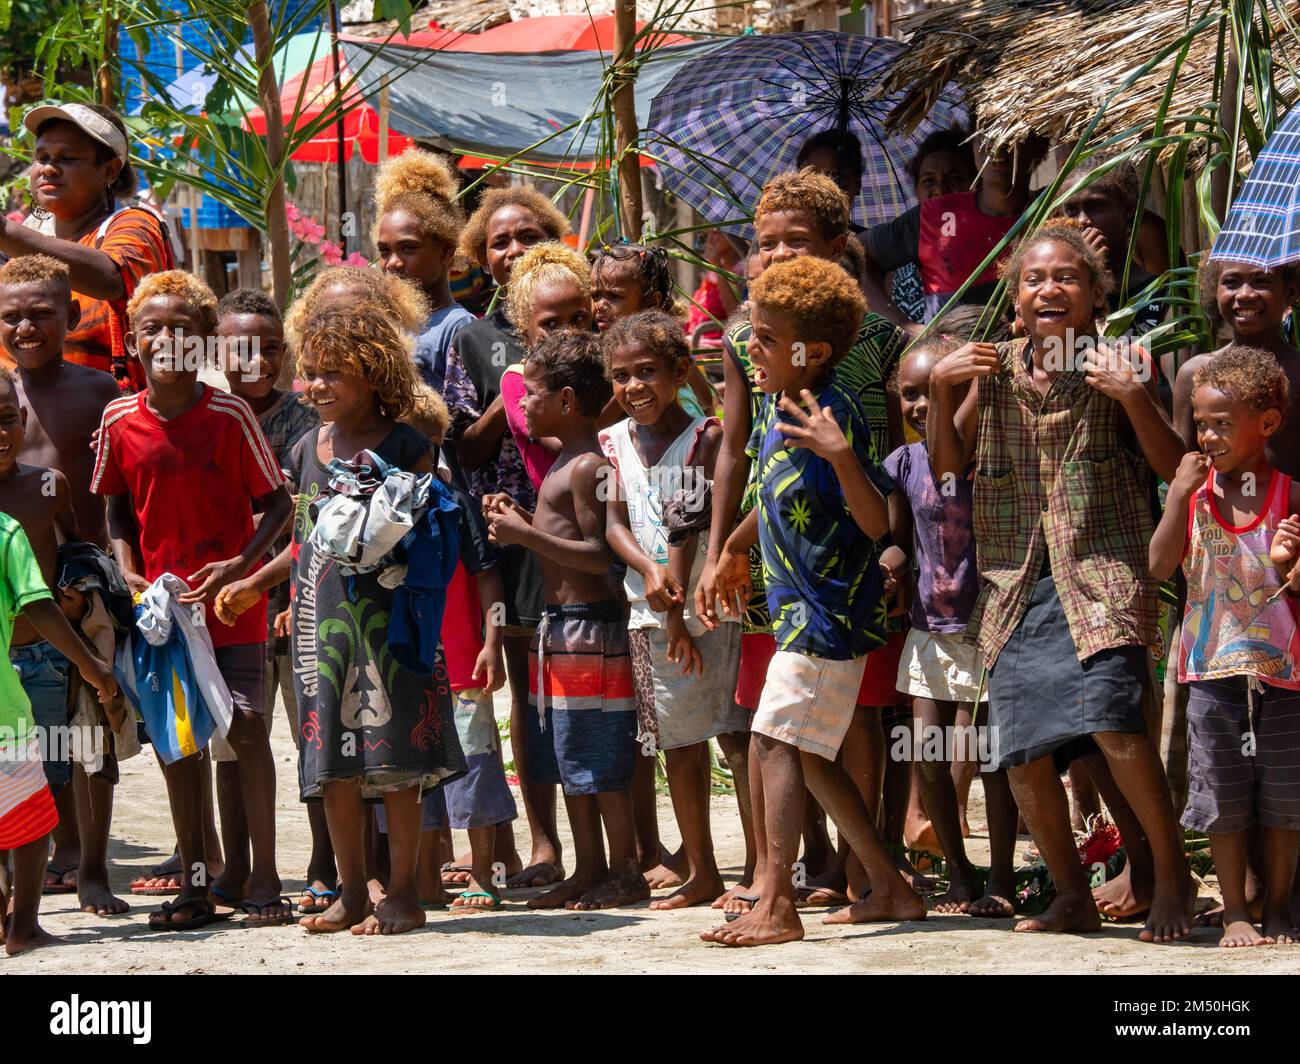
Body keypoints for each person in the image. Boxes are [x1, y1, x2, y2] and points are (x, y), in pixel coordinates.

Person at [926, 221, 1193, 941]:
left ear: (1095, 298)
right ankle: (1071, 894)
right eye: (1035, 279)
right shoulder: (996, 370)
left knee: (1116, 725)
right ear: (1014, 303)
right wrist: (945, 394)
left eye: (1067, 278)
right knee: (1022, 749)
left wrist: (1134, 397)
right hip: (1016, 581)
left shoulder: (1123, 364)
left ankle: (1172, 880)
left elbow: (1177, 469)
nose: (1051, 288)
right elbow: (948, 471)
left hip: (1104, 575)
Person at [698, 168, 908, 917]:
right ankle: (890, 886)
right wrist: (729, 548)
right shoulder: (782, 400)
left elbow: (880, 507)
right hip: (791, 599)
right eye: (766, 243)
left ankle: (778, 900)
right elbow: (767, 486)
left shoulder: (836, 403)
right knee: (799, 743)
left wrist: (843, 457)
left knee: (779, 738)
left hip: (830, 599)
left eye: (765, 342)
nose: (751, 351)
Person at [91, 270, 293, 931]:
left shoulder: (229, 415)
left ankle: (264, 881)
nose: (166, 340)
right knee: (181, 744)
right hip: (161, 616)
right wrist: (126, 573)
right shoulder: (119, 419)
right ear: (133, 342)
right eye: (152, 328)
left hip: (232, 605)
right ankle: (196, 886)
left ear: (205, 341)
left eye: (182, 330)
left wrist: (240, 565)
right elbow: (117, 508)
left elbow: (279, 505)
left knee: (244, 728)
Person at [484, 331, 649, 911]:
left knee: (599, 755)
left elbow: (601, 557)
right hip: (561, 629)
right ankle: (588, 867)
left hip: (590, 629)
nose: (522, 402)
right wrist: (522, 518)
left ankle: (625, 870)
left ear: (568, 401)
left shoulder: (586, 466)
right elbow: (563, 537)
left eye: (532, 393)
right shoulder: (562, 459)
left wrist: (525, 534)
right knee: (568, 752)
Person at [1150, 348, 1300, 946]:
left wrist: (1290, 561)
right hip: (1209, 671)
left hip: (1285, 674)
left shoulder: (1290, 497)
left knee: (1285, 795)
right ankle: (1236, 906)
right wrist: (1177, 496)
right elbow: (1161, 565)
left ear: (1267, 423)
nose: (1207, 435)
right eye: (1201, 422)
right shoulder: (1195, 493)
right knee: (1223, 793)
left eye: (1221, 422)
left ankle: (1280, 905)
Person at [445, 186, 571, 890]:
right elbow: (462, 447)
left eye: (528, 234)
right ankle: (546, 841)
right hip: (514, 526)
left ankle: (624, 843)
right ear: (481, 257)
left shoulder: (581, 320)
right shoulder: (475, 336)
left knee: (602, 684)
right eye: (499, 241)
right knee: (526, 693)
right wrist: (516, 387)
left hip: (589, 521)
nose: (514, 248)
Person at [599, 310, 745, 909]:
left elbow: (702, 521)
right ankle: (703, 872)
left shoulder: (707, 440)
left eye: (649, 372)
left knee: (736, 738)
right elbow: (613, 522)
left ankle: (757, 872)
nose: (634, 387)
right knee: (679, 744)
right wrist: (648, 569)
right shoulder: (613, 444)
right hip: (648, 612)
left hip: (713, 609)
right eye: (621, 375)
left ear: (681, 372)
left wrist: (679, 605)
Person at [883, 339, 1019, 916]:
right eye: (911, 393)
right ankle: (960, 872)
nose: (920, 405)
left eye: (938, 390)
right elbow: (896, 542)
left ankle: (1003, 878)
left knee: (989, 757)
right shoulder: (902, 464)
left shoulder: (985, 455)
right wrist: (888, 572)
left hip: (986, 621)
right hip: (929, 627)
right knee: (926, 754)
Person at [2, 254, 121, 907]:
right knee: (27, 732)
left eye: (42, 313)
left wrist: (96, 579)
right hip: (11, 604)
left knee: (84, 729)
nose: (26, 326)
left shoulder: (97, 391)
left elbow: (103, 496)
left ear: (72, 316)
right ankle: (51, 847)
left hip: (77, 589)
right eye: (11, 315)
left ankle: (84, 856)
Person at [213, 288, 329, 917]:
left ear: (284, 354)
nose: (252, 359)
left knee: (308, 731)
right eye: (237, 348)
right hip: (228, 610)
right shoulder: (208, 418)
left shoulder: (306, 423)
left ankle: (322, 861)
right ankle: (235, 865)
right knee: (231, 740)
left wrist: (286, 591)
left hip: (296, 602)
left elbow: (311, 517)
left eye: (266, 348)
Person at [0, 499, 116, 956]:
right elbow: (39, 605)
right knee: (30, 824)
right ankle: (24, 927)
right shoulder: (6, 532)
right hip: (4, 713)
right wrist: (90, 665)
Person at [0, 103, 174, 392]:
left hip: (111, 421)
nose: (48, 168)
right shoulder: (31, 230)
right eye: (41, 157)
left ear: (110, 170)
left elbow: (110, 277)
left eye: (66, 158)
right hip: (22, 424)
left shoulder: (135, 224)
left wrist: (4, 229)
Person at [862, 134, 1047, 326]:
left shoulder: (1054, 206)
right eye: (928, 181)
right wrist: (904, 325)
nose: (940, 190)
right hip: (949, 352)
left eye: (955, 178)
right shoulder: (926, 220)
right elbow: (852, 250)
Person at [373, 149, 475, 394]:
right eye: (384, 251)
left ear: (447, 251)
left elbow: (459, 419)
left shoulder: (458, 328)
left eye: (408, 248)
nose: (393, 263)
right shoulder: (385, 324)